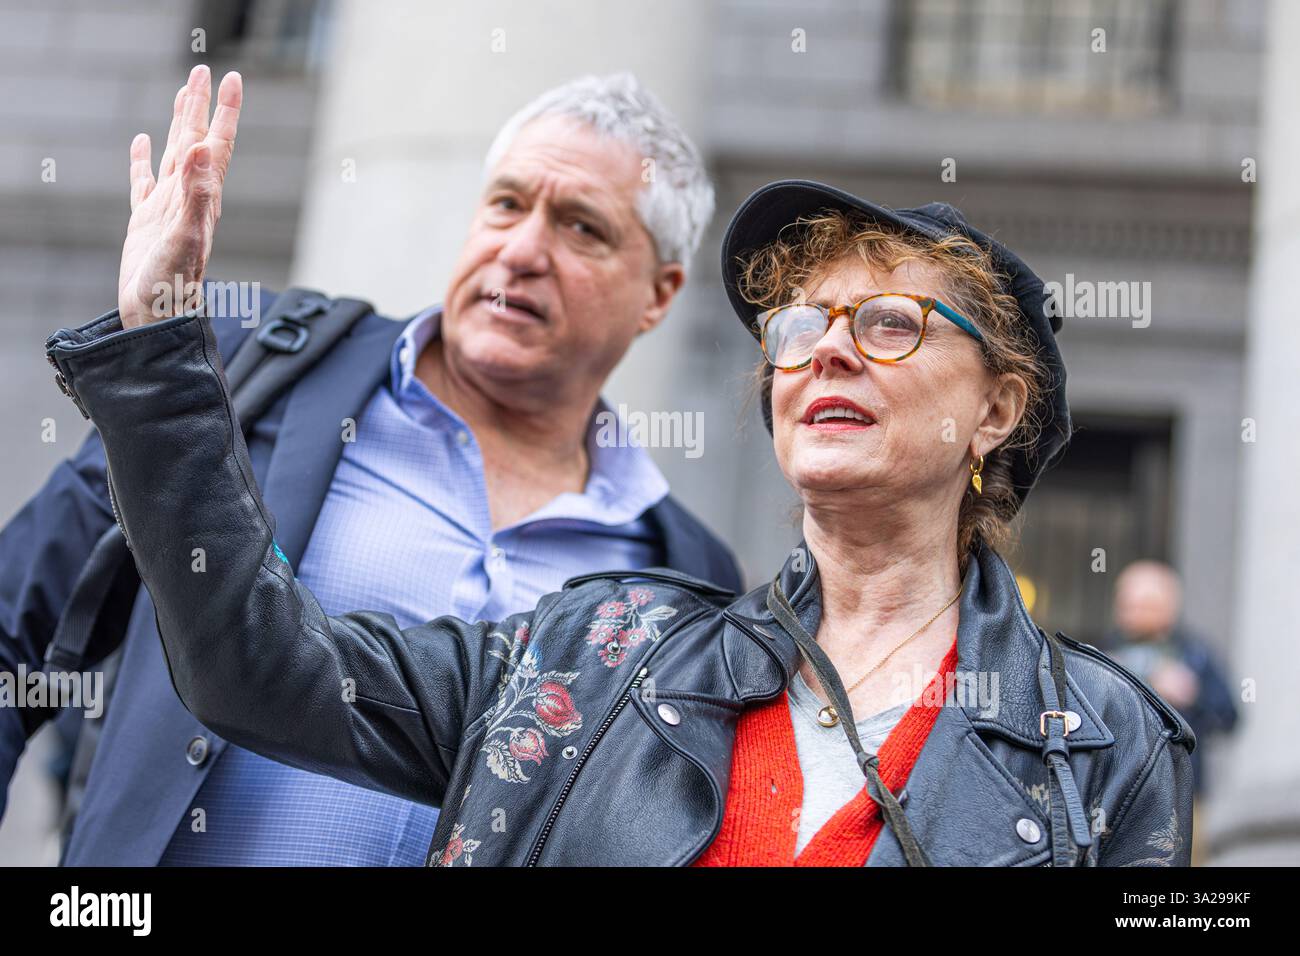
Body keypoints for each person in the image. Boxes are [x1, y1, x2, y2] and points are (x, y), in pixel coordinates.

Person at [46, 178, 1196, 866]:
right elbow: (260, 666)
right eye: (801, 326)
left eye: (890, 322)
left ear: (997, 407)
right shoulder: (594, 651)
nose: (827, 347)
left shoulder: (1104, 742)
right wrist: (160, 358)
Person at [2, 67, 741, 865]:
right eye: (506, 203)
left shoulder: (681, 577)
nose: (523, 250)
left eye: (582, 228)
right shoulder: (250, 381)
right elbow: (16, 625)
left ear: (659, 294)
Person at [1107, 560, 1237, 863]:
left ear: (1169, 607)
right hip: (1117, 786)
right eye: (1129, 605)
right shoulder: (1102, 654)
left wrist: (1191, 694)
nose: (1135, 614)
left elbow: (1229, 715)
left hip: (1181, 790)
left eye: (1146, 605)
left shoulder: (1196, 655)